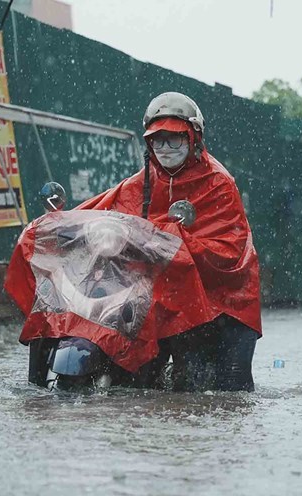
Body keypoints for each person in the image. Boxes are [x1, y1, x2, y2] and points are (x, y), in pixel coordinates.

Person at [77, 92, 262, 391]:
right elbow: (103, 213)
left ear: (193, 138)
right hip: (163, 297)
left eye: (174, 139)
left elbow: (229, 253)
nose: (165, 148)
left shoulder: (219, 183)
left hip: (225, 299)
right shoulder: (141, 182)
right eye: (157, 139)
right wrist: (59, 226)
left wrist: (171, 238)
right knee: (136, 383)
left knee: (230, 390)